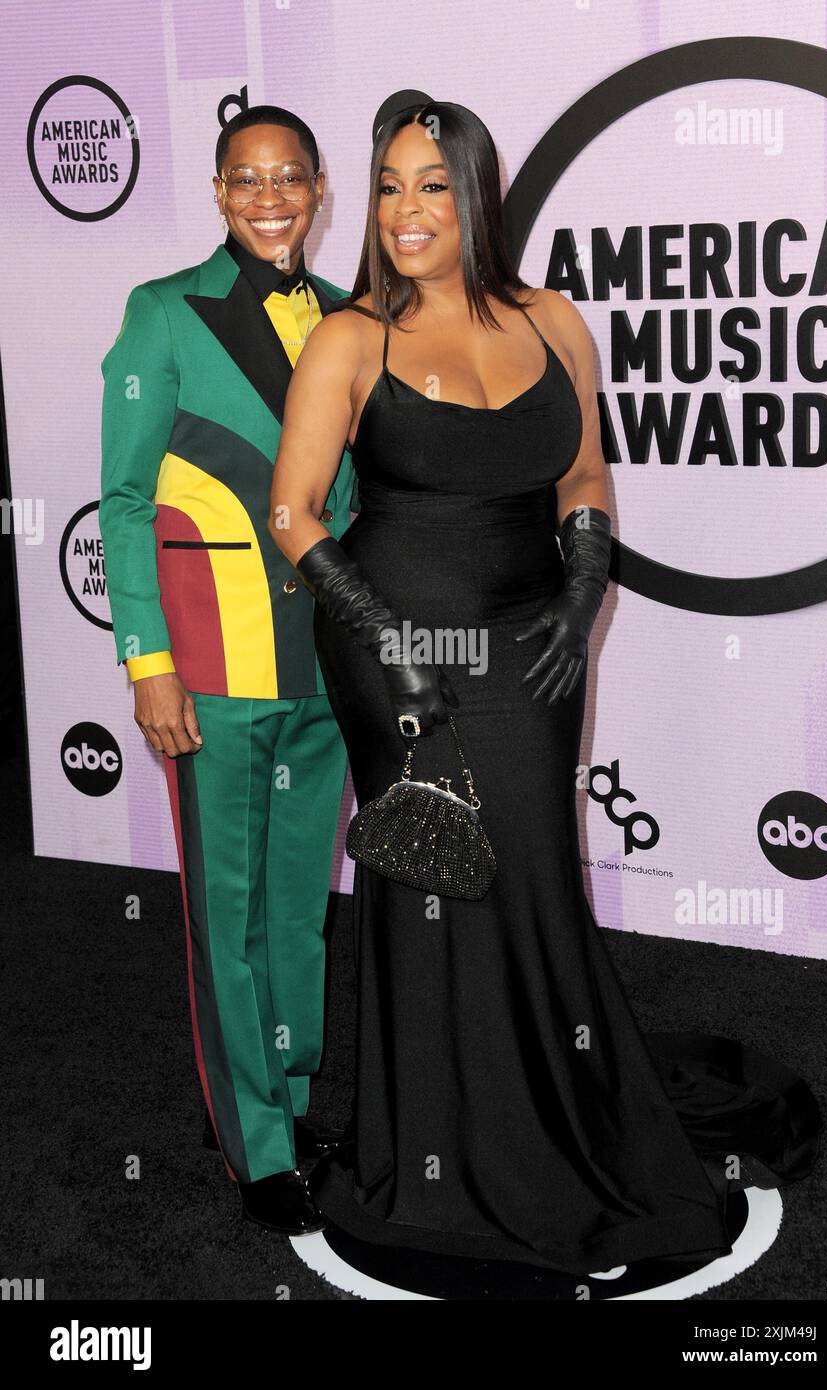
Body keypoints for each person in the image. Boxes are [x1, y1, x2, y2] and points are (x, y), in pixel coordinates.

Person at [267, 101, 820, 1290]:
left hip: (537, 643)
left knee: (532, 876)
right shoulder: (350, 339)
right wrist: (391, 643)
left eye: (431, 187)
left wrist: (582, 596)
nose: (405, 213)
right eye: (386, 188)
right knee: (433, 884)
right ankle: (442, 1156)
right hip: (393, 647)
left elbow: (582, 471)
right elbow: (294, 513)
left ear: (477, 195)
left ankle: (553, 1107)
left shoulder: (553, 319)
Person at [100, 105, 358, 1235]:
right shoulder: (161, 314)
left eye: (288, 175)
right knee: (230, 913)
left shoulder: (355, 320)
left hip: (323, 669)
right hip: (208, 672)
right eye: (246, 177)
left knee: (301, 912)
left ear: (317, 188)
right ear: (216, 191)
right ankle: (254, 1147)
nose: (269, 194)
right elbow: (118, 499)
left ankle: (291, 1101)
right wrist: (147, 663)